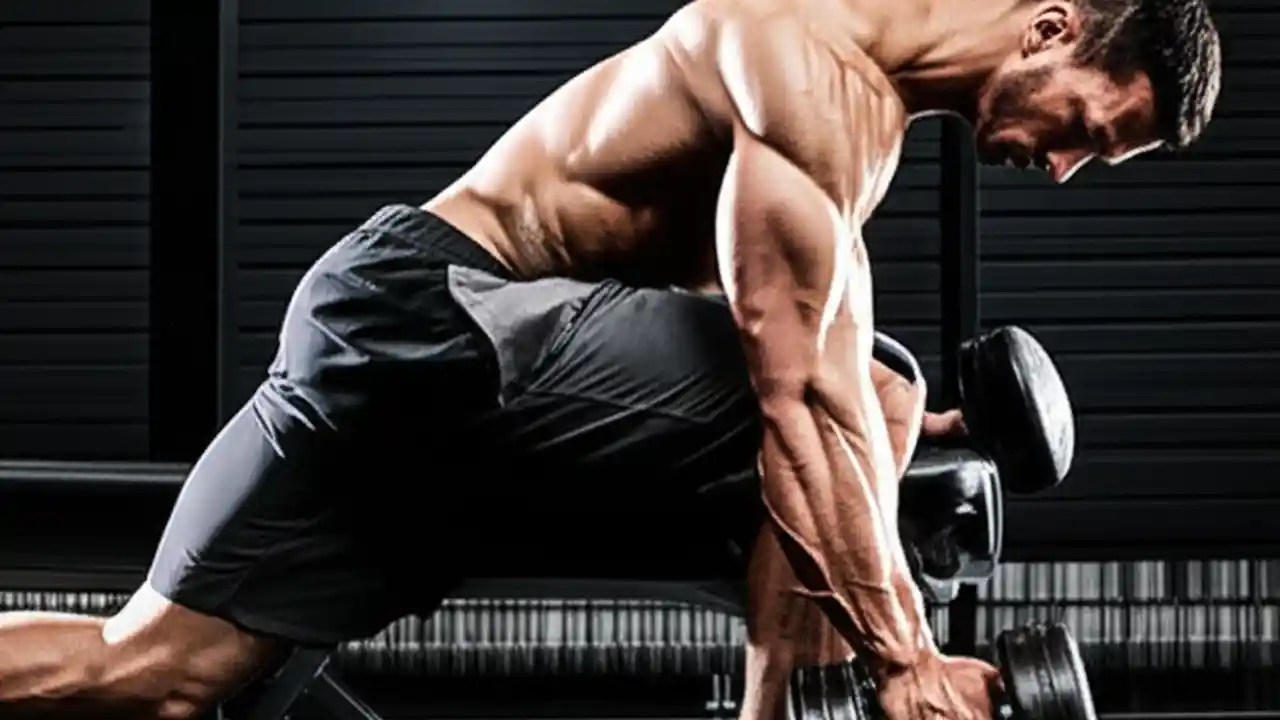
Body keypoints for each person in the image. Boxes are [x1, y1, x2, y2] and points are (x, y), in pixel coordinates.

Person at [0, 0, 1219, 717]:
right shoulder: (805, 72)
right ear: (1052, 29)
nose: (1059, 169)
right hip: (437, 316)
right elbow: (801, 398)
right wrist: (904, 659)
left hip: (389, 344)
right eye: (1085, 133)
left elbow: (808, 348)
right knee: (860, 402)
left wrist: (920, 433)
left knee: (150, 673)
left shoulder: (849, 124)